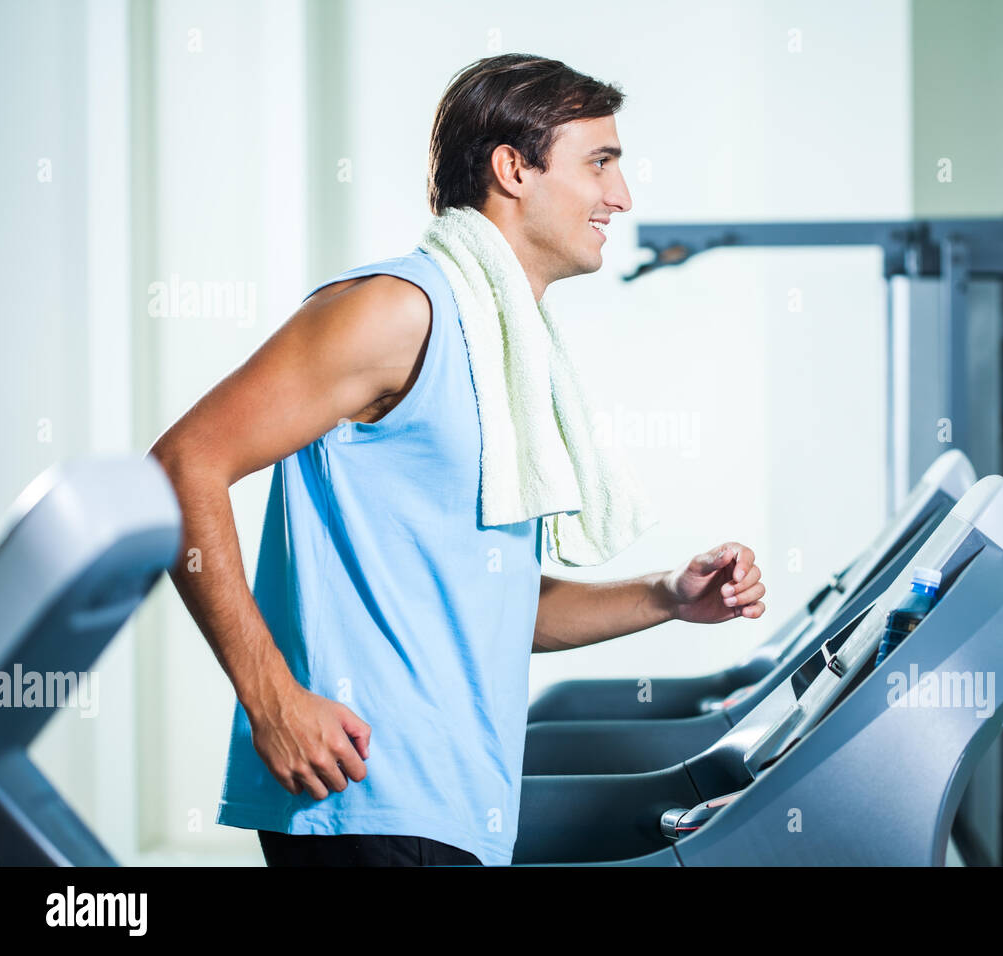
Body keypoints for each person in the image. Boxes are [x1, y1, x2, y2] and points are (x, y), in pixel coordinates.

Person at [148, 53, 766, 868]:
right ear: (514, 169)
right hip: (364, 795)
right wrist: (270, 695)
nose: (621, 197)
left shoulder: (504, 343)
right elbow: (181, 465)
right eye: (601, 164)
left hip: (456, 803)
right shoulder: (395, 312)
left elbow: (494, 606)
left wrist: (667, 597)